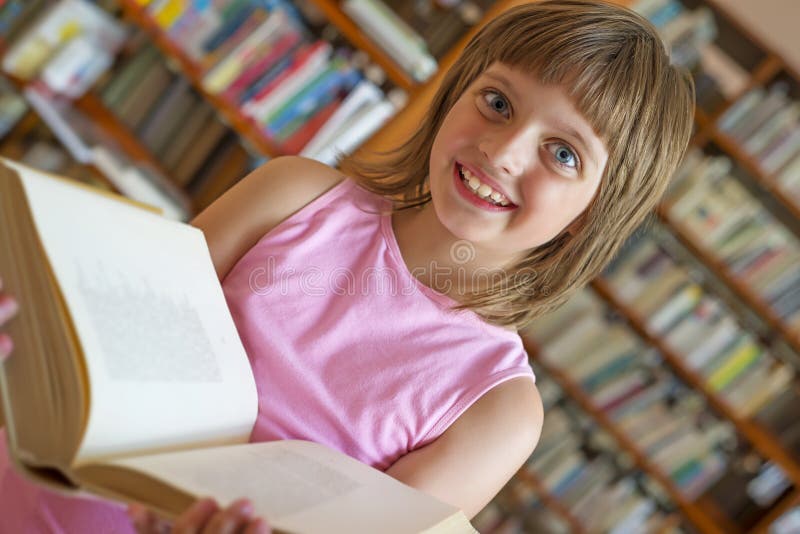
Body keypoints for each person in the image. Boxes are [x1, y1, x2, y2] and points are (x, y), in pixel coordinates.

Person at [0, 0, 695, 532]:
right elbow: (119, 326)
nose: (505, 151)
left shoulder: (498, 409)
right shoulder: (296, 193)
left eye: (564, 153)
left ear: (592, 213)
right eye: (497, 101)